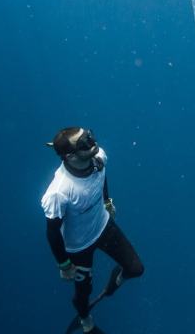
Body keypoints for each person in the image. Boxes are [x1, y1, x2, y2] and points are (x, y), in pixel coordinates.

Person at [41, 127, 144, 333]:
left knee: (135, 269)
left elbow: (101, 176)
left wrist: (107, 201)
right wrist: (64, 264)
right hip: (78, 248)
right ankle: (85, 320)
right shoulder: (59, 191)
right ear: (69, 156)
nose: (92, 143)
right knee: (83, 293)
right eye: (84, 143)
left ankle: (112, 285)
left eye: (90, 136)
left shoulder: (99, 158)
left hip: (103, 226)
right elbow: (52, 232)